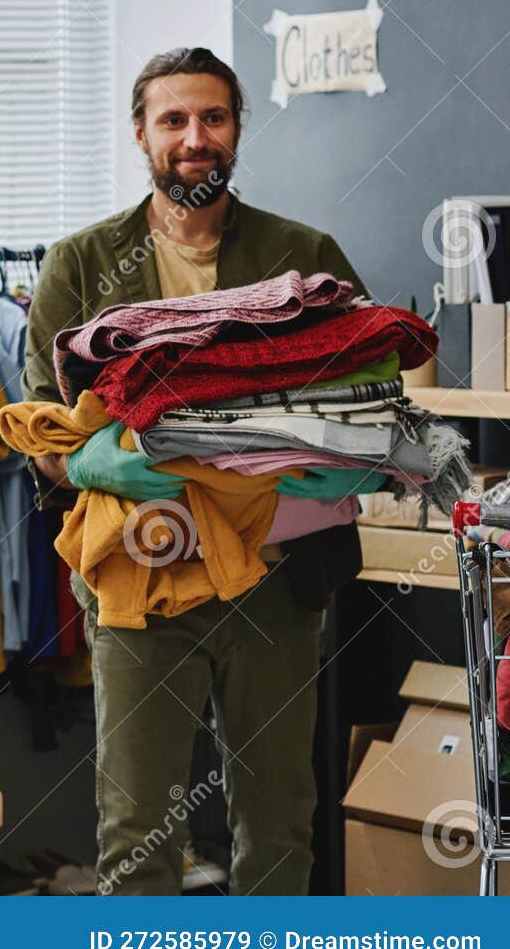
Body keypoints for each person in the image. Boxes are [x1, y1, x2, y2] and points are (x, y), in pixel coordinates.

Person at [22, 47, 368, 896]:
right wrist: (90, 458)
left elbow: (367, 387)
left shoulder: (302, 255)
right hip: (140, 572)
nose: (194, 138)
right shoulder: (80, 263)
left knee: (281, 816)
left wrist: (340, 461)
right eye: (173, 120)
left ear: (237, 129)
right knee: (138, 828)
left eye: (212, 118)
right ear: (141, 134)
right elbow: (41, 422)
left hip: (277, 579)